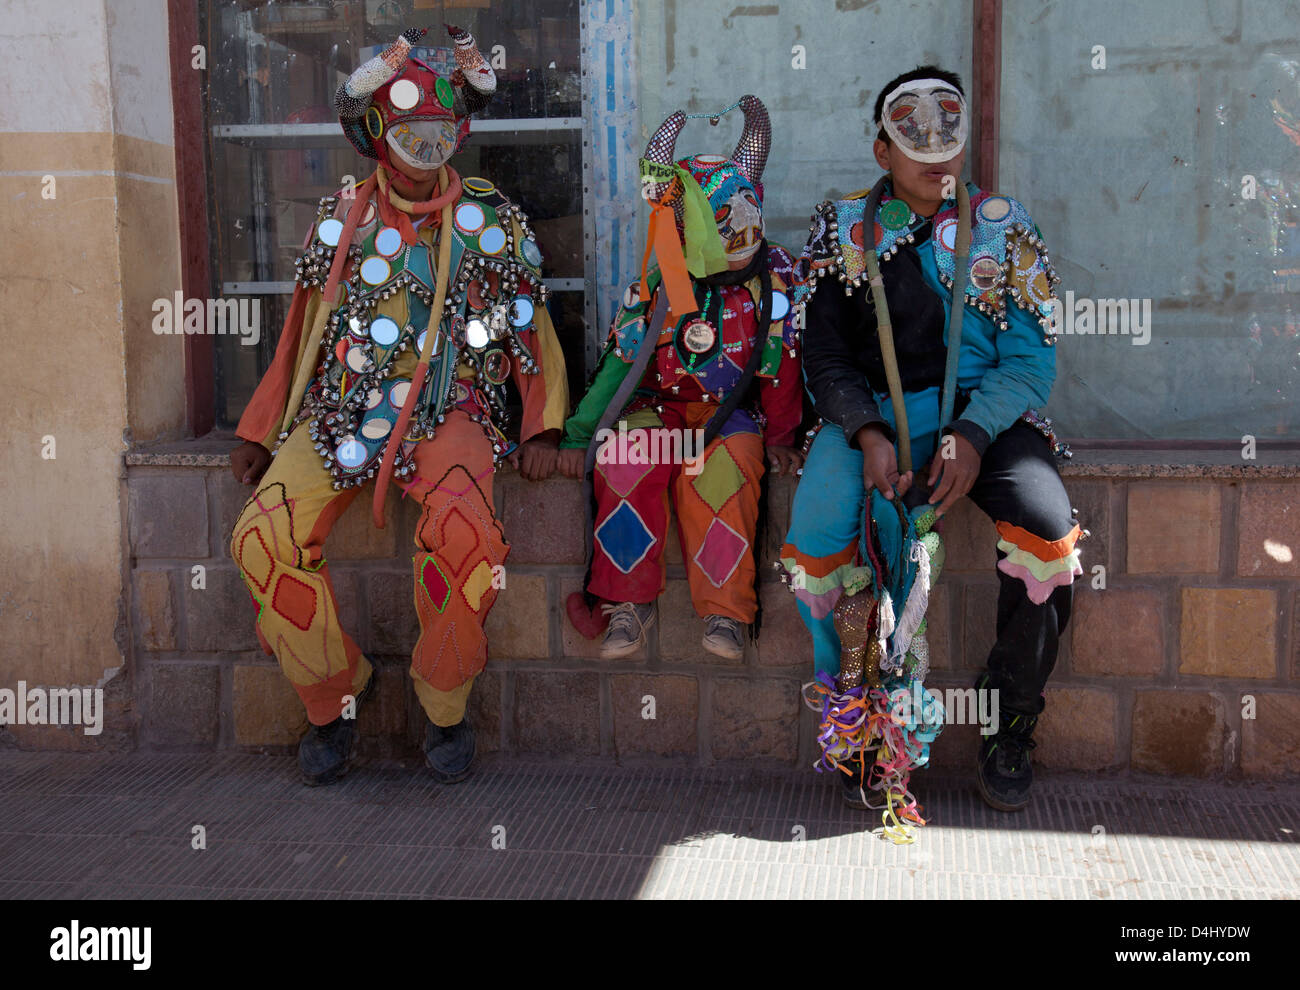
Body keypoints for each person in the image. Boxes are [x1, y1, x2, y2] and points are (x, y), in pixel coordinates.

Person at [228, 26, 568, 786]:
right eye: (409, 128)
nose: (425, 142)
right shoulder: (338, 216)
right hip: (339, 413)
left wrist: (545, 424)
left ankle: (444, 701)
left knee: (466, 542)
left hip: (451, 413)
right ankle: (333, 693)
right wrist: (261, 427)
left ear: (458, 131)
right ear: (377, 131)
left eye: (439, 129)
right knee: (261, 538)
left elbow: (528, 327)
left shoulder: (491, 220)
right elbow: (303, 330)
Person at [781, 66, 1081, 813]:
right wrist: (868, 431)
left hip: (987, 417)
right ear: (882, 152)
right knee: (817, 536)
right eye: (913, 141)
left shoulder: (1006, 227)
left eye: (948, 139)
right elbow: (822, 354)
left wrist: (975, 435)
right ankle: (855, 712)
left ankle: (1009, 716)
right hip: (871, 419)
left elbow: (1031, 359)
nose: (935, 155)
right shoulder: (841, 227)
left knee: (1047, 538)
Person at [556, 96, 804, 660]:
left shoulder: (775, 286)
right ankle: (627, 602)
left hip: (729, 414)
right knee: (625, 460)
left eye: (745, 221)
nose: (740, 241)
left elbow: (780, 369)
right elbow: (620, 366)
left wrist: (784, 438)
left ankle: (724, 611)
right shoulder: (657, 288)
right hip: (659, 409)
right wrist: (578, 435)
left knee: (723, 471)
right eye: (721, 229)